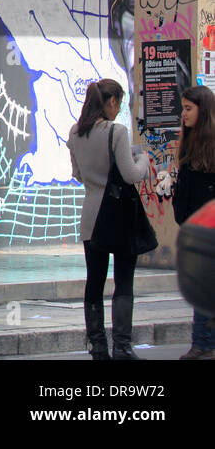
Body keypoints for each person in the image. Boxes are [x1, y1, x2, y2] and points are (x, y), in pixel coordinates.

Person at [67, 78, 150, 360]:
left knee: (95, 281)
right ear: (111, 102)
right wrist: (145, 161)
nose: (118, 109)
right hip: (119, 216)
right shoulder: (116, 132)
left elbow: (77, 174)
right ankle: (123, 346)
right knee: (124, 280)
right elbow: (131, 174)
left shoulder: (75, 132)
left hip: (91, 216)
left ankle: (97, 344)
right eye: (119, 103)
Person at [174, 85, 215, 360]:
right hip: (197, 227)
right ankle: (202, 342)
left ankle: (203, 342)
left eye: (189, 109)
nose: (183, 114)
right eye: (183, 108)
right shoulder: (189, 142)